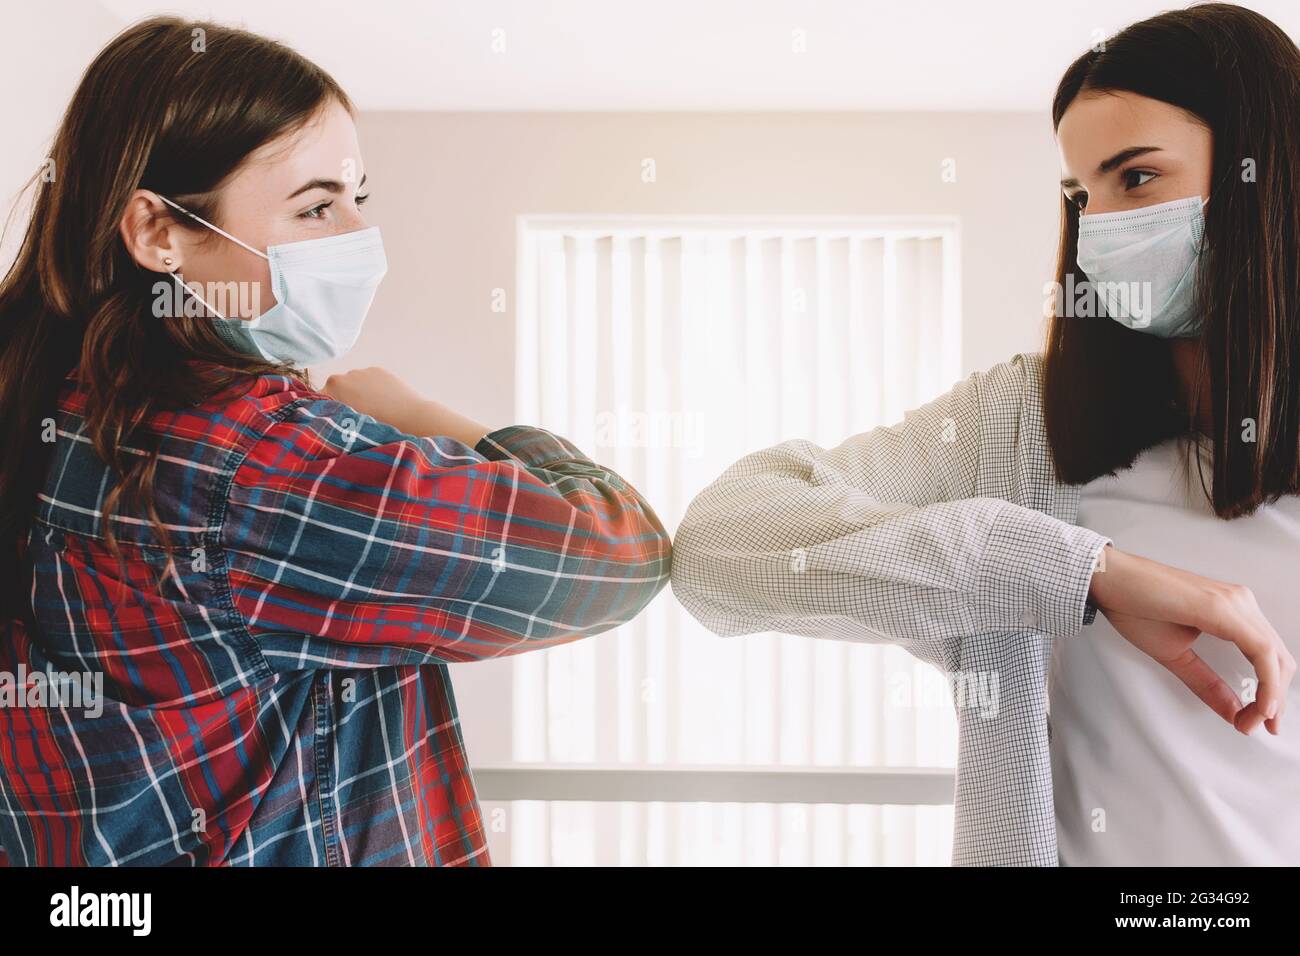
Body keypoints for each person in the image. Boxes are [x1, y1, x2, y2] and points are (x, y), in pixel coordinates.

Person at [0, 17, 671, 866]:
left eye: (359, 198)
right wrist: (429, 417)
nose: (358, 237)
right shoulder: (257, 464)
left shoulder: (49, 402)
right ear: (159, 233)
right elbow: (617, 553)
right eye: (316, 206)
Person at [670, 3, 1298, 866]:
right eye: (1082, 195)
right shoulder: (1023, 425)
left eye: (1137, 179)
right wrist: (1080, 574)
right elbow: (715, 549)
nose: (1101, 228)